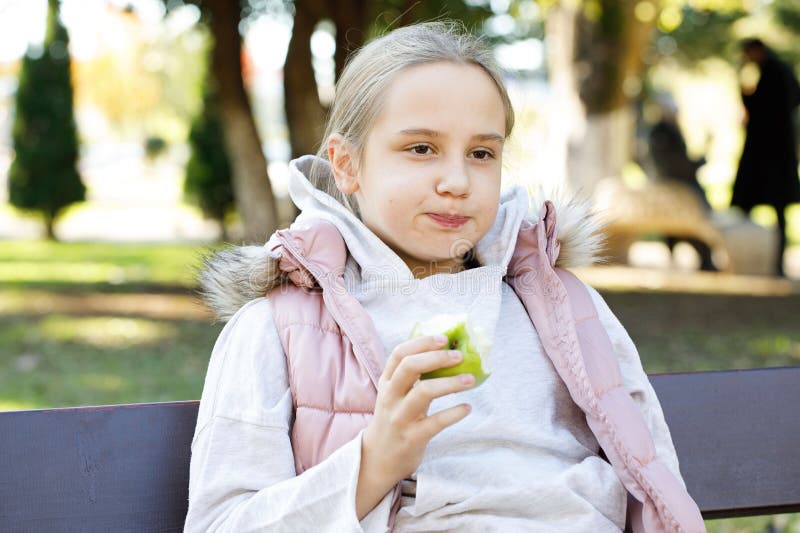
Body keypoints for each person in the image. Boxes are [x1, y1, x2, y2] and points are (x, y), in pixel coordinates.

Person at [184, 22, 702, 532]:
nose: (456, 182)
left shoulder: (566, 309)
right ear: (346, 164)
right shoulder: (276, 330)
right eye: (421, 149)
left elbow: (654, 482)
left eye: (481, 153)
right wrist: (374, 462)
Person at [731, 38, 800, 277]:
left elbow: (762, 107)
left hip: (769, 155)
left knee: (774, 210)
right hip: (773, 154)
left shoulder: (775, 73)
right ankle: (756, 260)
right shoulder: (779, 72)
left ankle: (773, 263)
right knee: (768, 210)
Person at [647, 95, 717, 271]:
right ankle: (705, 260)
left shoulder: (663, 132)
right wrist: (700, 161)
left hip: (674, 190)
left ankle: (701, 258)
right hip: (678, 191)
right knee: (695, 219)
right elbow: (676, 166)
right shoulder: (663, 133)